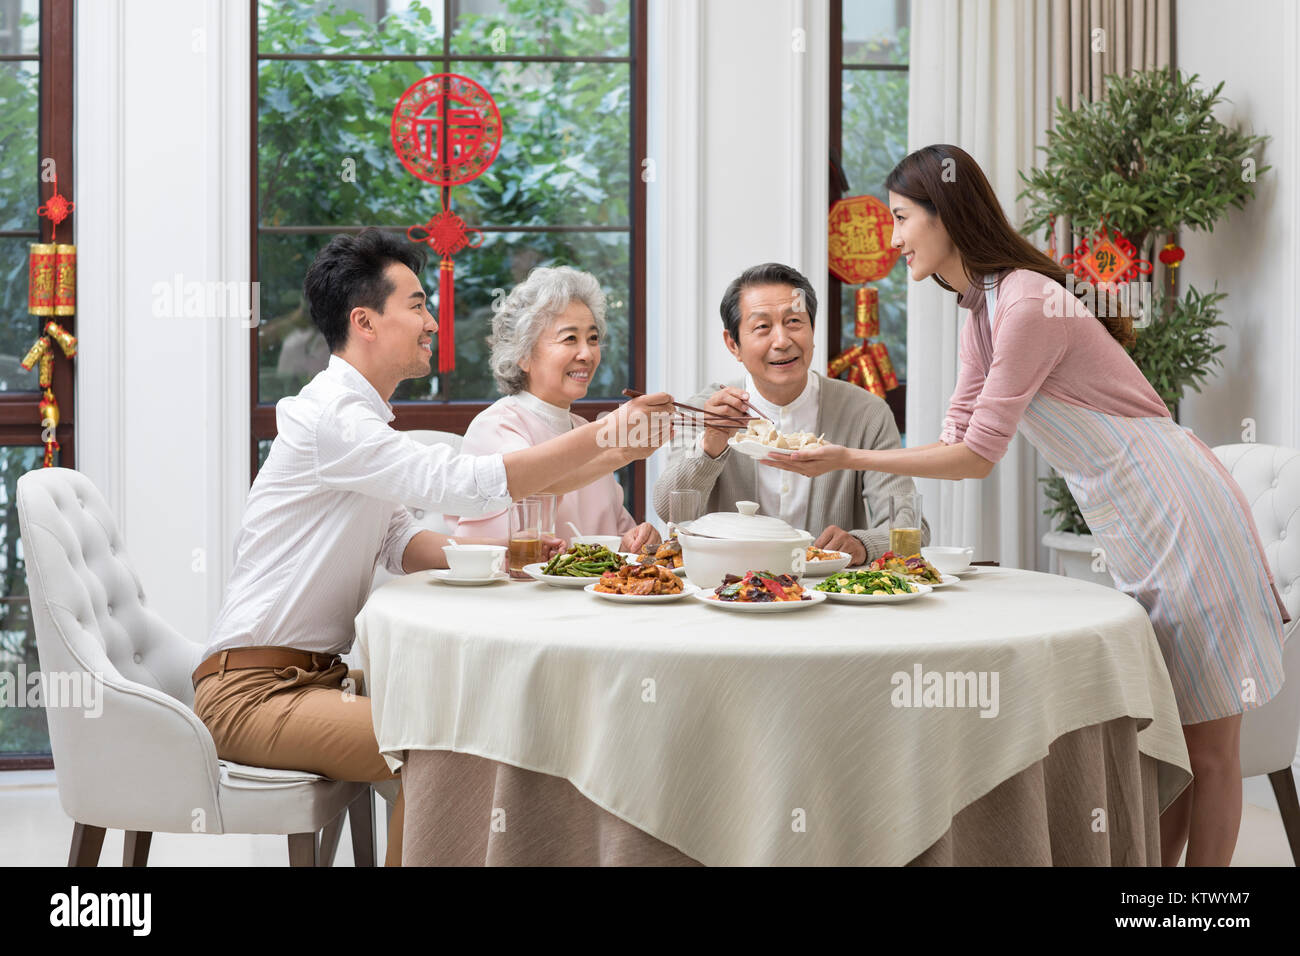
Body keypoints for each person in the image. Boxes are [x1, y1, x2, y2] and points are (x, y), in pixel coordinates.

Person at [762, 144, 1290, 867]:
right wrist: (846, 450)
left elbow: (979, 458)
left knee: (1209, 745)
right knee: (1166, 738)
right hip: (1132, 518)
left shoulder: (1026, 304)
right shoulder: (980, 310)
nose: (892, 239)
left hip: (1179, 505)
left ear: (947, 215)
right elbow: (955, 440)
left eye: (902, 218)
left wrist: (846, 457)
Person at [191, 229, 672, 866]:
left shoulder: (359, 419)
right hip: (252, 693)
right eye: (417, 305)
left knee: (470, 715)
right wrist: (608, 437)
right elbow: (464, 485)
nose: (432, 320)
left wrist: (506, 559)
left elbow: (400, 542)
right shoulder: (332, 416)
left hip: (317, 678)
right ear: (364, 321)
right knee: (445, 744)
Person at [651, 261, 928, 565]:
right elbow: (668, 509)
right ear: (734, 344)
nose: (782, 341)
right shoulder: (705, 409)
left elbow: (911, 528)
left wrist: (862, 544)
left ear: (812, 329)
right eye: (762, 327)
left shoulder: (865, 413)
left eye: (794, 322)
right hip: (729, 589)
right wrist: (712, 442)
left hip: (828, 593)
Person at [450, 266, 659, 554]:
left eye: (593, 338)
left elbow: (616, 534)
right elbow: (533, 487)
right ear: (523, 354)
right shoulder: (497, 426)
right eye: (570, 339)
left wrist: (638, 538)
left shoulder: (583, 427)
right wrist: (618, 448)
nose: (586, 354)